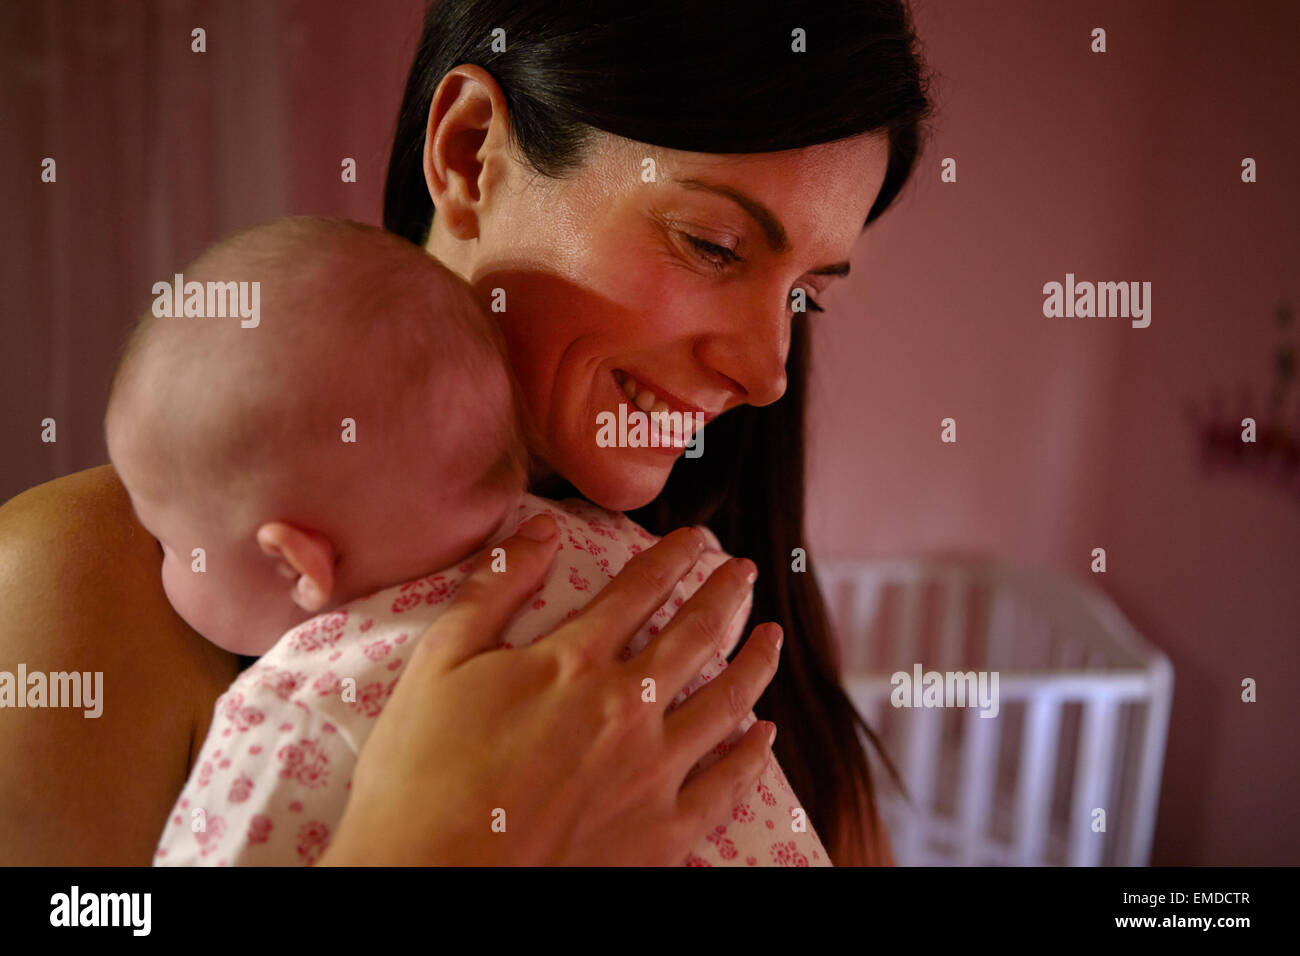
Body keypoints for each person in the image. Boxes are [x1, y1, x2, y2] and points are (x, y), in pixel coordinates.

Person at [0, 0, 932, 865]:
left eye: (805, 297)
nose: (767, 374)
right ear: (469, 151)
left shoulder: (724, 636)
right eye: (714, 246)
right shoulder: (79, 581)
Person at [106, 215, 822, 865]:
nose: (768, 374)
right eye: (714, 245)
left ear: (297, 562)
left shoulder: (293, 710)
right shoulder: (615, 555)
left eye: (166, 540)